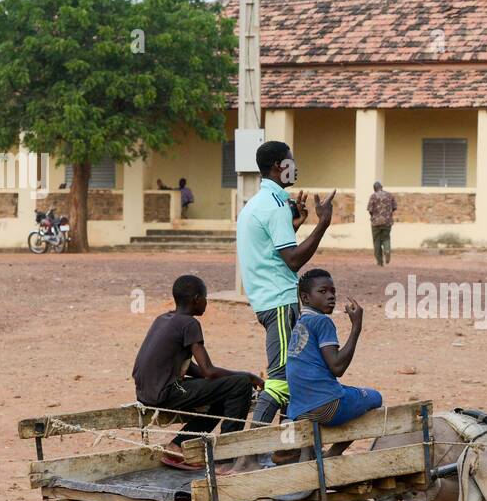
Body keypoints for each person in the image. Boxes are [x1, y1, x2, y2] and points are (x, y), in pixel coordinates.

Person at [235, 140, 335, 433]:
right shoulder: (277, 205)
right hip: (279, 302)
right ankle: (250, 453)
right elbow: (292, 261)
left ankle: (283, 449)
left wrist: (295, 227)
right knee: (280, 380)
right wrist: (322, 224)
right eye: (292, 161)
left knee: (291, 377)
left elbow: (269, 250)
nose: (296, 167)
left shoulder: (258, 203)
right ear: (280, 166)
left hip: (267, 299)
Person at [132, 274, 263, 469]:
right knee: (241, 385)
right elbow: (208, 371)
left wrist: (230, 378)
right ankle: (227, 457)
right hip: (165, 392)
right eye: (205, 298)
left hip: (146, 391)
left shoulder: (163, 319)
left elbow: (191, 367)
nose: (206, 303)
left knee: (223, 393)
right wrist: (247, 376)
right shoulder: (190, 324)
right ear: (196, 300)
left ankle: (177, 446)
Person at [286, 268, 382, 427]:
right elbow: (337, 368)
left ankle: (308, 452)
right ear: (305, 298)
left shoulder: (302, 322)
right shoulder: (322, 322)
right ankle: (334, 452)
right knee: (375, 398)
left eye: (333, 292)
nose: (331, 296)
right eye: (323, 291)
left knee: (349, 392)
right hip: (325, 407)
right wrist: (356, 327)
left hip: (298, 410)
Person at [367, 181, 397, 266]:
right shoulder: (389, 195)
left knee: (377, 241)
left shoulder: (373, 196)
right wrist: (388, 214)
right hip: (387, 222)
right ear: (381, 187)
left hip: (375, 223)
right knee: (386, 238)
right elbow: (394, 207)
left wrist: (374, 216)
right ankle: (387, 251)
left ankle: (380, 262)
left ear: (374, 188)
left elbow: (370, 210)